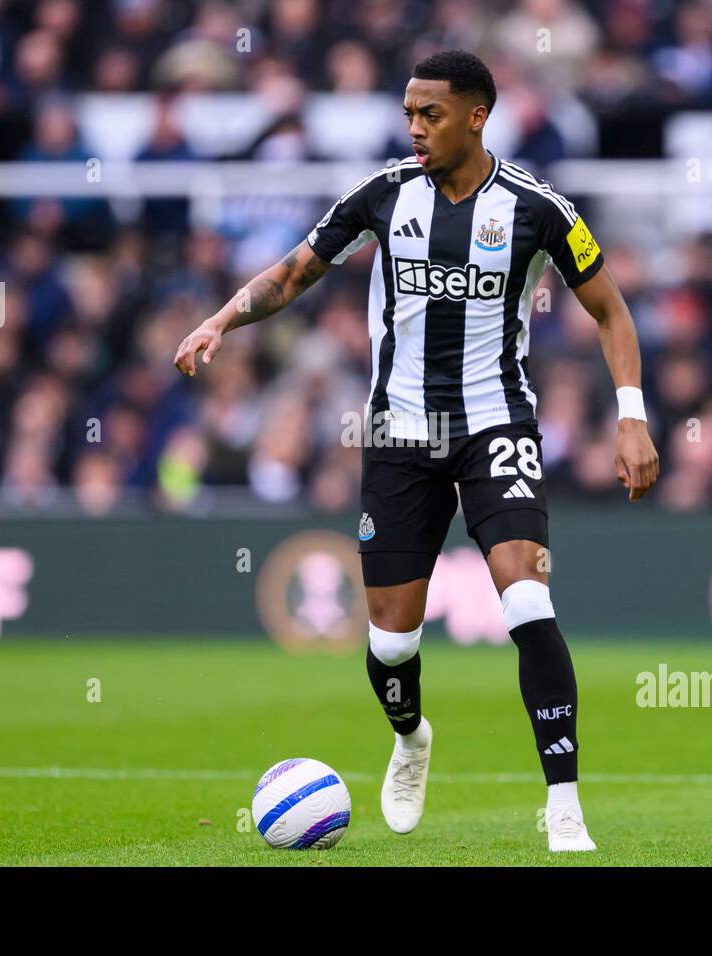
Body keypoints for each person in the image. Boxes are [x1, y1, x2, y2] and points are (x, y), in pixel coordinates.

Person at [174, 50, 659, 852]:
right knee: (392, 641)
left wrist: (632, 416)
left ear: (476, 116)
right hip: (399, 433)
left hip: (496, 424)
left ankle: (564, 801)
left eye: (429, 114)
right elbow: (296, 273)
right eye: (408, 114)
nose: (414, 128)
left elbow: (610, 311)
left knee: (526, 599)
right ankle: (410, 737)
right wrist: (221, 319)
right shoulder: (385, 195)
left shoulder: (538, 209)